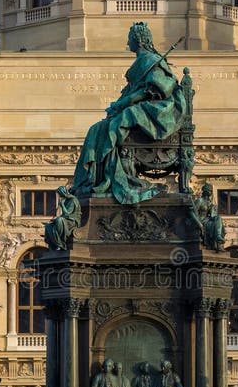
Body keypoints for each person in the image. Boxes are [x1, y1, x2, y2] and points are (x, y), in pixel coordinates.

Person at [71, 22, 186, 204]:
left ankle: (108, 178)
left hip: (158, 110)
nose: (127, 42)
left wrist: (124, 102)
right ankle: (93, 179)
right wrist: (118, 104)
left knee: (120, 121)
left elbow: (157, 88)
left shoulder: (150, 60)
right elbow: (133, 90)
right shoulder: (143, 61)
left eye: (129, 38)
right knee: (97, 129)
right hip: (143, 107)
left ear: (137, 39)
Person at [44, 186, 82, 250]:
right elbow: (64, 215)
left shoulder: (73, 200)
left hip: (73, 221)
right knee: (48, 226)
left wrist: (62, 205)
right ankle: (55, 244)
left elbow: (67, 214)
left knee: (59, 220)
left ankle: (61, 243)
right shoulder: (66, 200)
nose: (59, 195)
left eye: (60, 194)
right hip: (67, 219)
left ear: (63, 192)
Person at [191, 183, 225, 251]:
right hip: (201, 220)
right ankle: (217, 239)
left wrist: (212, 209)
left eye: (211, 191)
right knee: (215, 224)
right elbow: (192, 212)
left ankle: (218, 237)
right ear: (206, 191)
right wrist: (199, 224)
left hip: (207, 220)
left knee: (218, 218)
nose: (211, 192)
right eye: (210, 190)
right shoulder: (200, 200)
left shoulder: (209, 202)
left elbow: (212, 215)